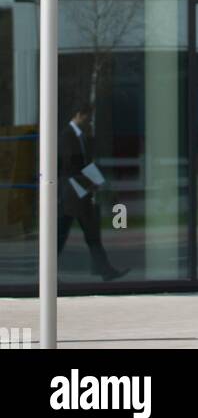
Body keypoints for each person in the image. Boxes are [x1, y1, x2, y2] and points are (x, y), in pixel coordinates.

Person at [57, 104, 128, 283]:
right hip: (73, 193)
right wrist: (92, 182)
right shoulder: (67, 135)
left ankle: (104, 270)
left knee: (87, 234)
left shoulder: (79, 136)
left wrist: (98, 182)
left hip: (79, 193)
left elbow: (83, 164)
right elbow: (70, 166)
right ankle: (104, 270)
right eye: (88, 117)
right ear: (79, 115)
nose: (90, 121)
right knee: (63, 235)